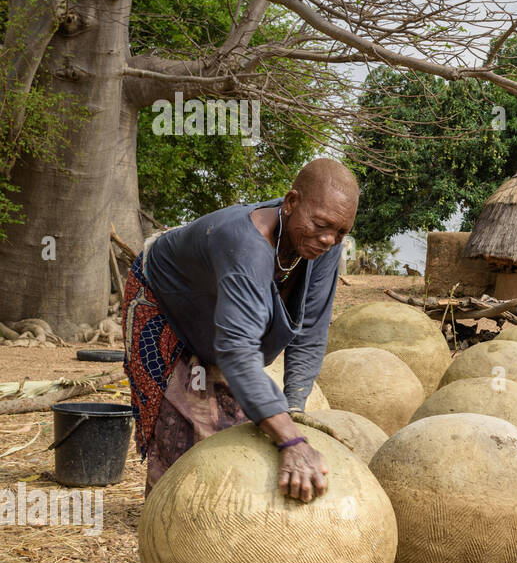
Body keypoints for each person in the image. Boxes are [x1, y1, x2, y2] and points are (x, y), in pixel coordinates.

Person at [122, 158, 358, 504]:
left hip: (219, 318)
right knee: (184, 434)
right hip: (165, 305)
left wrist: (293, 409)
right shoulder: (244, 244)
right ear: (291, 203)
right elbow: (237, 351)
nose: (329, 239)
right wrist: (292, 442)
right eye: (322, 225)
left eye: (341, 232)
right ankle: (168, 522)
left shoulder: (323, 247)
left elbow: (309, 329)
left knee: (237, 427)